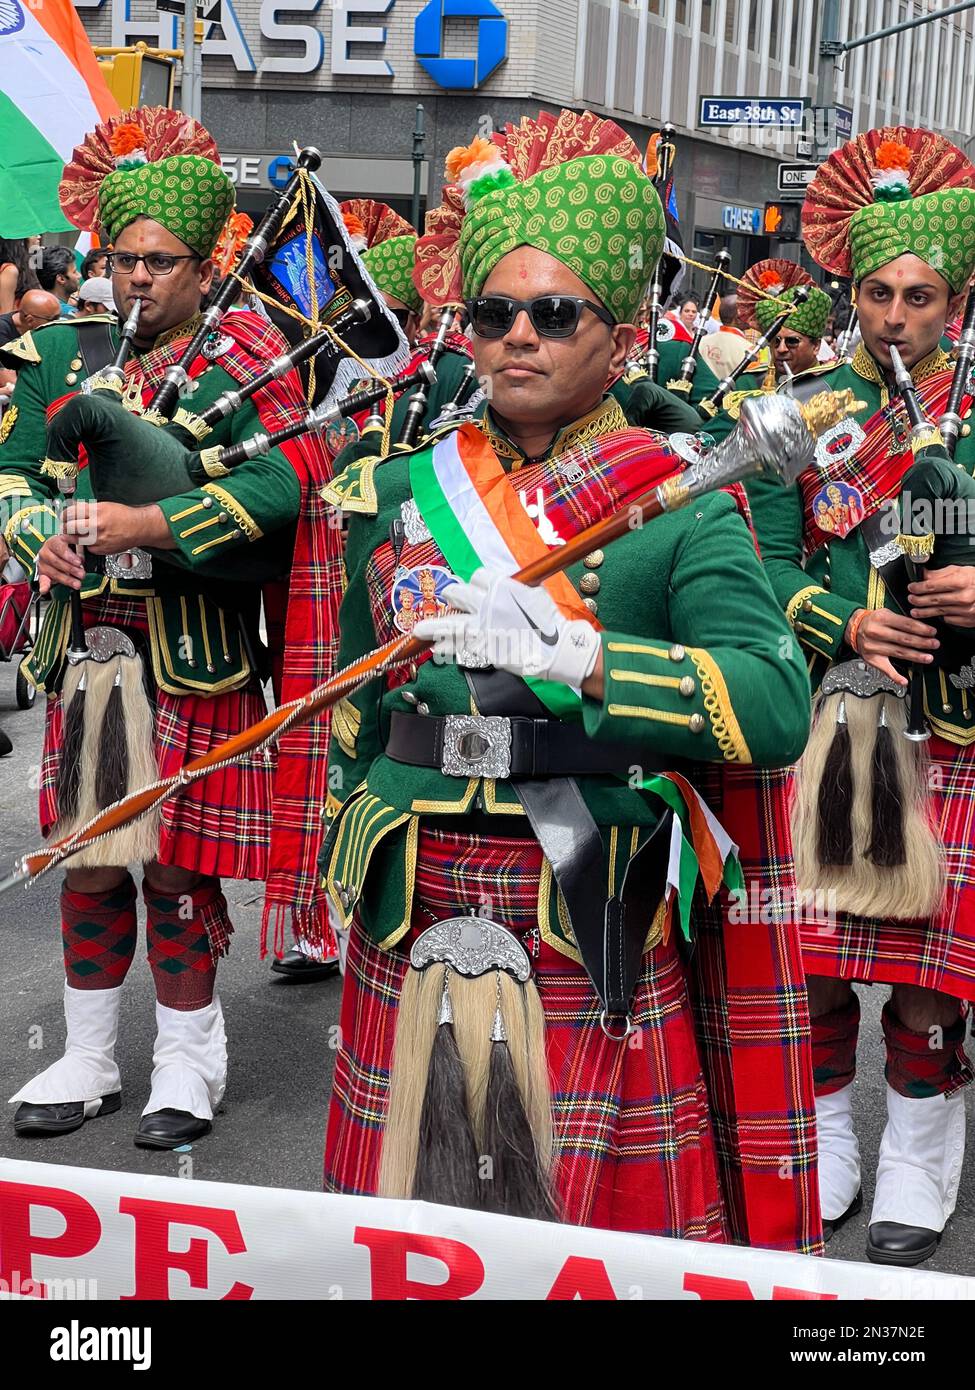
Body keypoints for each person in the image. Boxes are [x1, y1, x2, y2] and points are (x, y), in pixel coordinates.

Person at [318, 109, 820, 1250]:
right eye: (492, 314)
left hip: (583, 894)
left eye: (554, 314)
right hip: (409, 888)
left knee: (598, 1244)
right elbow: (357, 694)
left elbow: (775, 701)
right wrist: (348, 821)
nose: (517, 338)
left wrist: (588, 659)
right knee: (403, 1236)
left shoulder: (680, 502)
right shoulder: (398, 489)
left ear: (623, 336)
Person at [1, 108, 331, 1149]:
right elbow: (11, 474)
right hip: (88, 652)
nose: (137, 277)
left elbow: (286, 486)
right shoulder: (61, 352)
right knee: (89, 857)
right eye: (123, 258)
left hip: (192, 651)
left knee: (178, 866)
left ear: (205, 265)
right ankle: (91, 1055)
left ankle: (190, 1057)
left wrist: (148, 524)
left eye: (160, 260)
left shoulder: (251, 355)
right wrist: (40, 538)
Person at [744, 126, 975, 1266]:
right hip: (833, 717)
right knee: (819, 956)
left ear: (956, 302)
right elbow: (758, 564)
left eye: (918, 297)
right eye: (876, 293)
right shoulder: (801, 409)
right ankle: (827, 1134)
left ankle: (919, 1152)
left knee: (930, 972)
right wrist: (842, 620)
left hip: (958, 729)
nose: (893, 317)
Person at [699, 293, 751, 380]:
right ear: (738, 319)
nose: (751, 316)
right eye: (747, 313)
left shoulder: (701, 342)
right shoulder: (750, 350)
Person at [0, 237, 40, 314]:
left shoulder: (26, 267)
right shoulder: (10, 270)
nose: (38, 236)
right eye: (32, 233)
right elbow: (5, 313)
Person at [36, 246, 81, 316]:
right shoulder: (71, 315)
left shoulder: (36, 308)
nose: (79, 275)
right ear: (61, 279)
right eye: (74, 272)